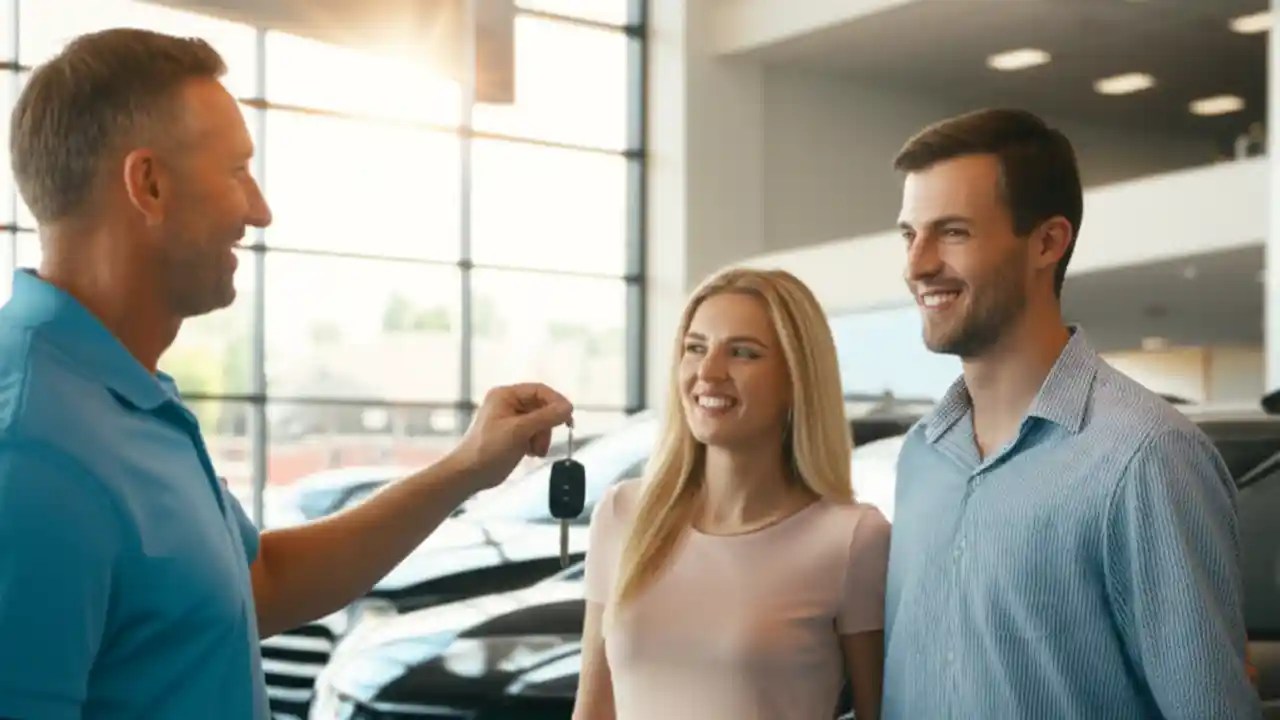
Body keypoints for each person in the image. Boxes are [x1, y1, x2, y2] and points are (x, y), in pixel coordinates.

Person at [0, 28, 573, 719]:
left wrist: (468, 468)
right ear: (149, 184)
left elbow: (258, 584)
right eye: (237, 170)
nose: (260, 211)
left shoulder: (126, 399)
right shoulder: (29, 447)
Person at [882, 108, 1261, 718]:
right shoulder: (922, 455)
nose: (918, 264)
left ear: (1048, 242)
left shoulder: (1145, 457)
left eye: (952, 232)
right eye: (909, 234)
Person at [573, 267, 891, 720]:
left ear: (795, 380)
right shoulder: (623, 513)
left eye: (743, 353)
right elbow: (592, 711)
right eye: (695, 348)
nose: (708, 371)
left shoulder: (854, 539)